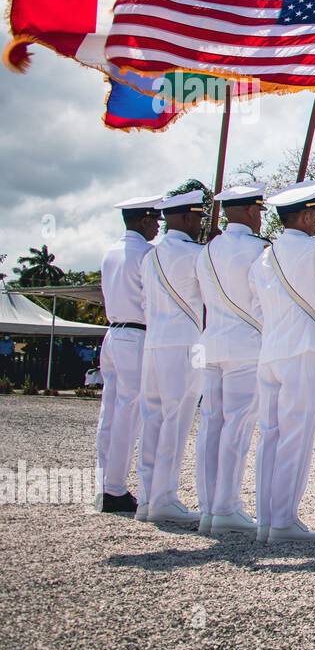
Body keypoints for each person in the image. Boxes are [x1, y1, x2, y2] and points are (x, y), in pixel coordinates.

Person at [247, 182, 315, 544]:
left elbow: (256, 308)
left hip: (270, 352)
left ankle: (266, 518)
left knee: (270, 435)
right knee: (296, 435)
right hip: (302, 349)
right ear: (308, 215)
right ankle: (283, 520)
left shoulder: (262, 258)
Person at [194, 184, 267, 537]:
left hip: (212, 343)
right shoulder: (260, 250)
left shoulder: (205, 252)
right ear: (252, 211)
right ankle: (227, 506)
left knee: (211, 425)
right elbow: (264, 301)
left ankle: (208, 507)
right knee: (237, 426)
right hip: (245, 345)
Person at [137, 189, 207, 526]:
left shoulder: (149, 257)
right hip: (184, 344)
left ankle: (148, 496)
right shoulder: (194, 254)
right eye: (196, 217)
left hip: (153, 343)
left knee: (152, 419)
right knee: (176, 420)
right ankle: (165, 498)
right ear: (180, 218)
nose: (199, 223)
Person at [93, 194, 161, 514]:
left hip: (113, 332)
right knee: (129, 415)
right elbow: (152, 301)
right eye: (154, 221)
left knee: (110, 411)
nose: (157, 227)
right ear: (143, 220)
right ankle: (115, 489)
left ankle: (104, 483)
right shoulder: (147, 254)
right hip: (136, 334)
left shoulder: (111, 251)